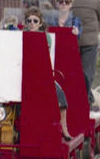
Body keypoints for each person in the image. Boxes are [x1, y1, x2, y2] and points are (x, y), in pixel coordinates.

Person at [21, 8, 71, 138]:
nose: (32, 23)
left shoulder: (45, 37)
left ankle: (64, 128)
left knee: (61, 97)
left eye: (35, 21)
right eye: (29, 21)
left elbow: (42, 55)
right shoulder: (20, 35)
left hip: (41, 75)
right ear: (25, 23)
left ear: (40, 23)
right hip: (22, 75)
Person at [68, 0, 100, 107]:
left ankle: (72, 97)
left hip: (72, 40)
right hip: (90, 41)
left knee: (72, 71)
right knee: (87, 71)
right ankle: (86, 98)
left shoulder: (69, 0)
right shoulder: (94, 0)